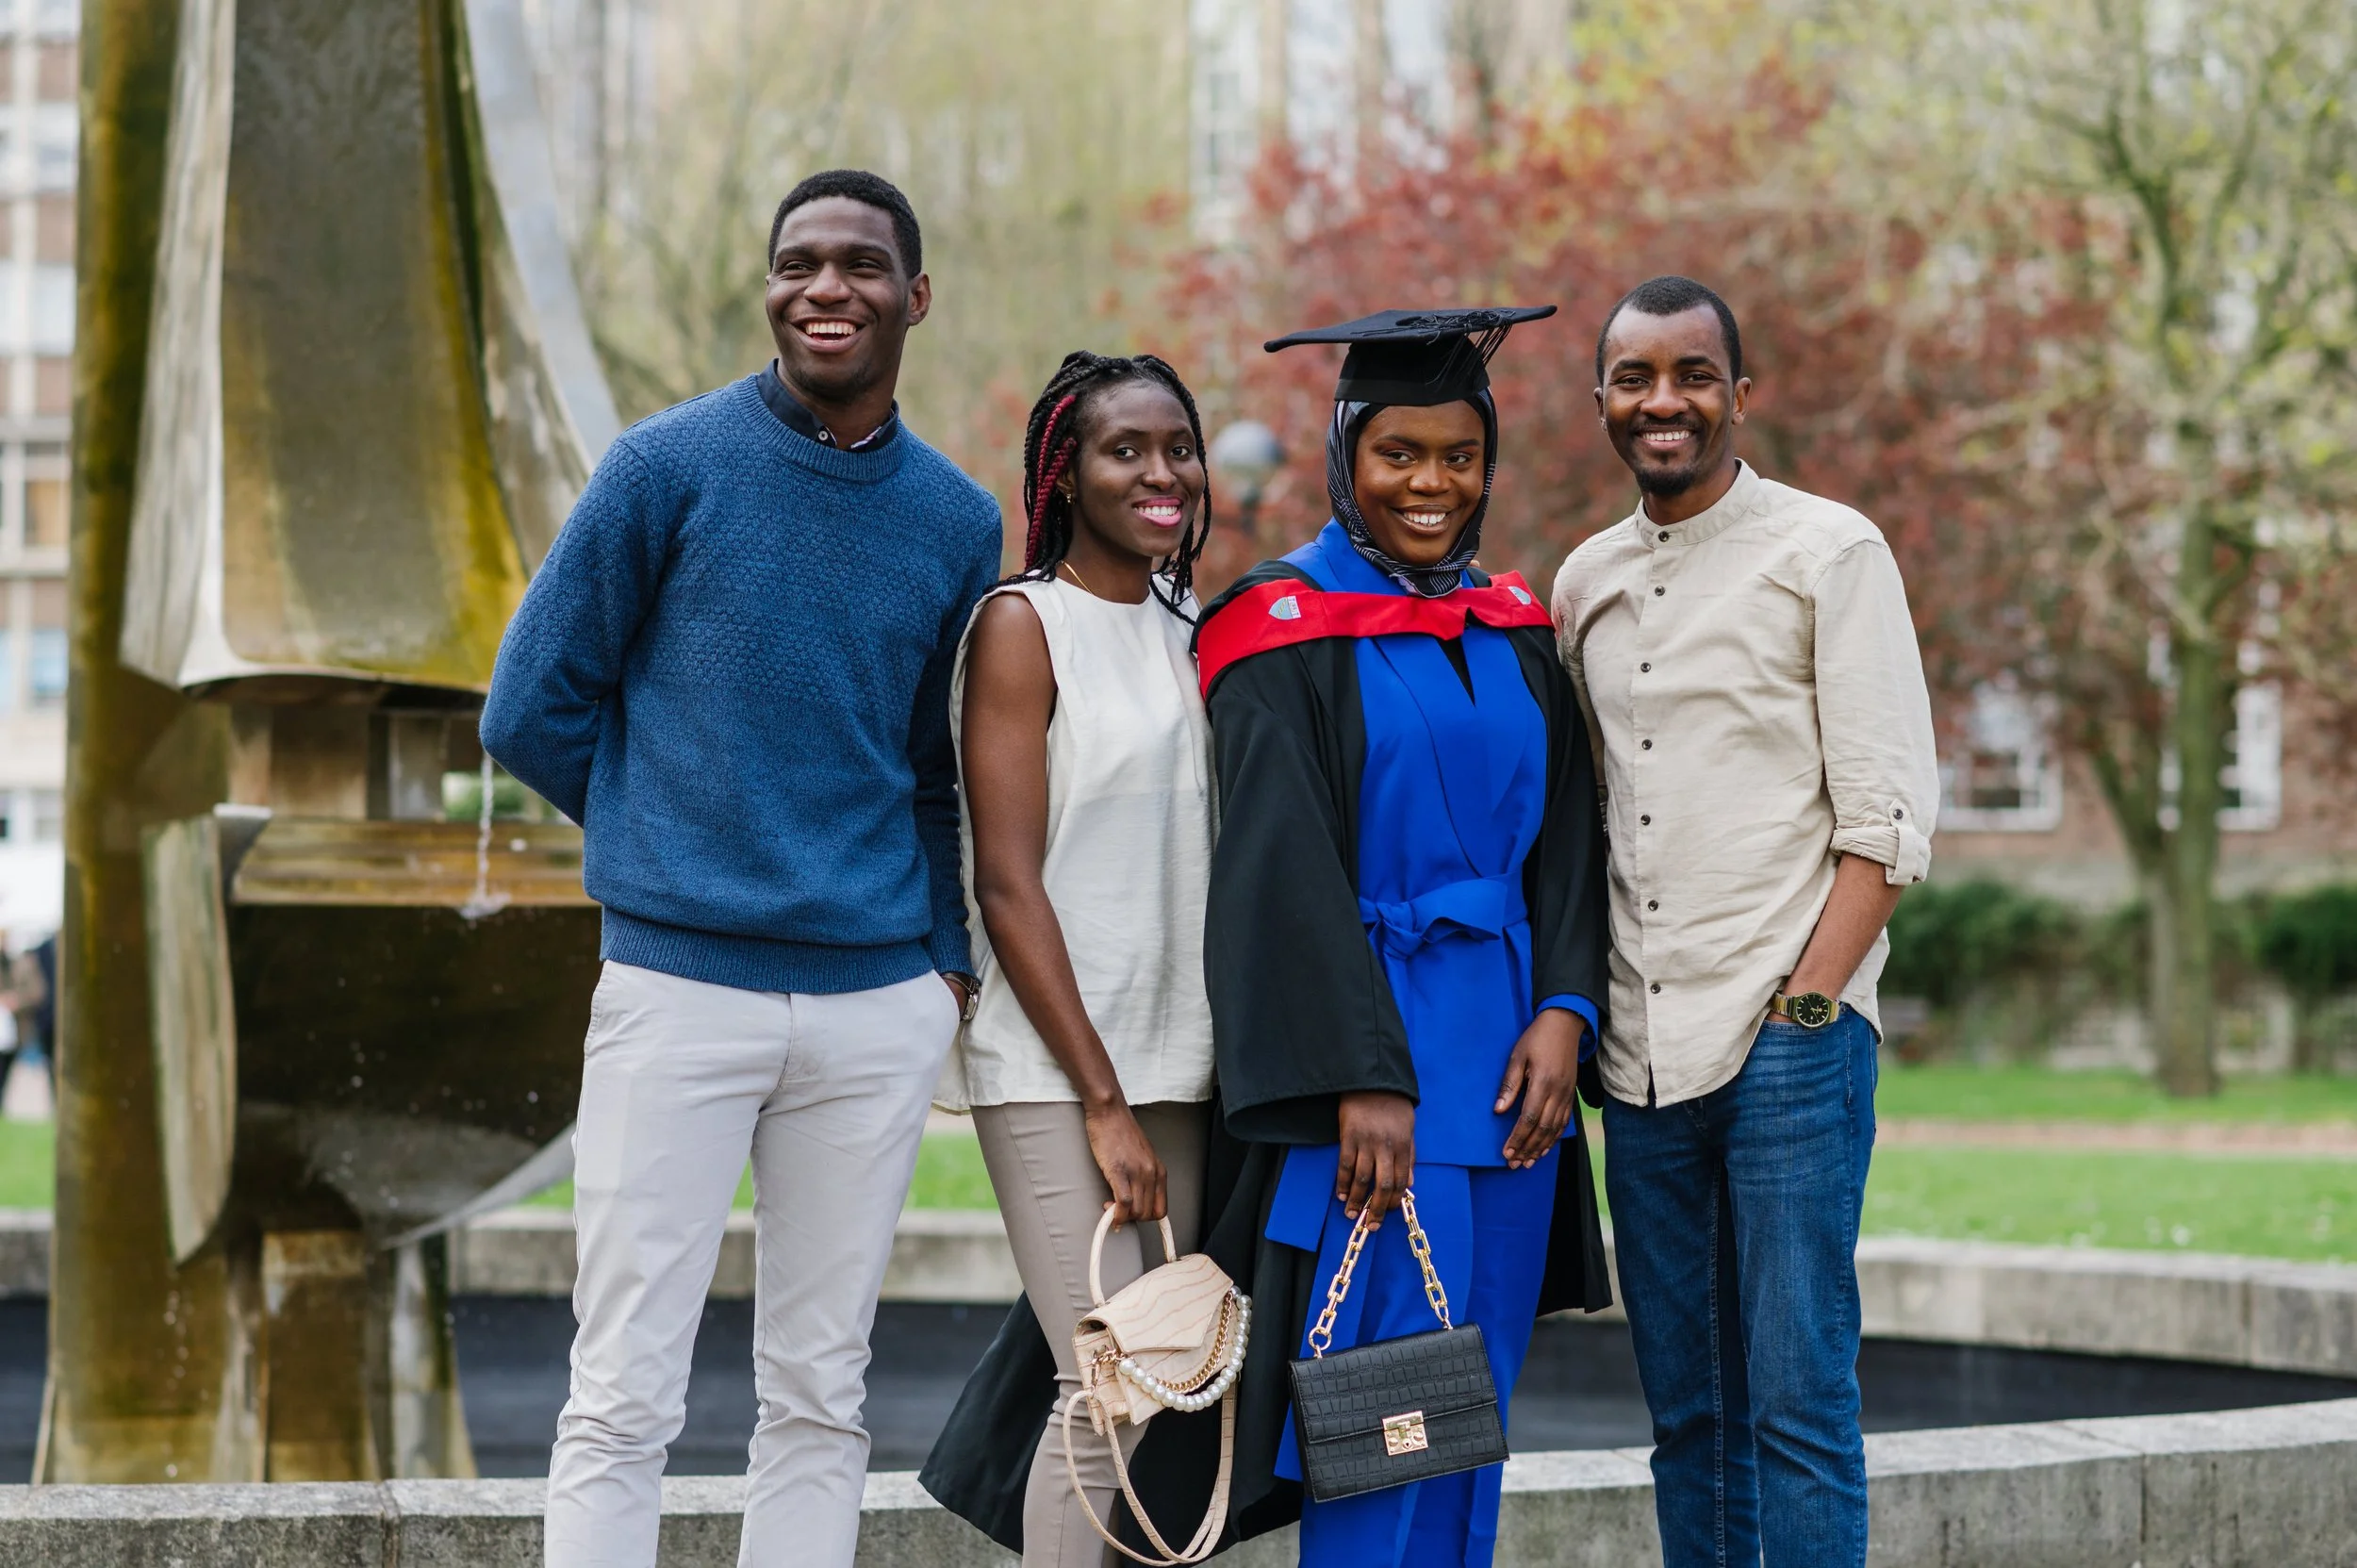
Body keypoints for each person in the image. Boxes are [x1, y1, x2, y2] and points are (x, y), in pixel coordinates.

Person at [480, 169, 1001, 1568]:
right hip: (678, 988)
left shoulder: (958, 522)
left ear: (916, 296)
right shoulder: (664, 468)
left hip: (873, 1003)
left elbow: (934, 765)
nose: (825, 287)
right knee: (624, 1388)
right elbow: (529, 703)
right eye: (797, 263)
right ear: (770, 286)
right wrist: (666, 840)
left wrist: (944, 954)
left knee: (823, 1391)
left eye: (860, 265)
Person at [1552, 275, 1940, 1568]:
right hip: (1642, 1063)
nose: (1664, 401)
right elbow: (1592, 814)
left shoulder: (1831, 551)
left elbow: (1886, 820)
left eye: (1693, 374)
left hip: (1789, 1044)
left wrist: (1808, 1003)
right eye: (1635, 377)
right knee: (1691, 1414)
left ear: (1739, 394)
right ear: (1602, 397)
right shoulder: (1584, 583)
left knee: (1800, 1403)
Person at [937, 351, 1220, 1566]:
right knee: (1109, 1393)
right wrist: (1102, 1100)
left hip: (1190, 1063)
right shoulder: (1022, 625)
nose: (1160, 474)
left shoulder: (1196, 626)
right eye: (1125, 450)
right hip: (1061, 1073)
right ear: (1066, 471)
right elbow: (1007, 882)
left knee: (1168, 1384)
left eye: (1177, 448)